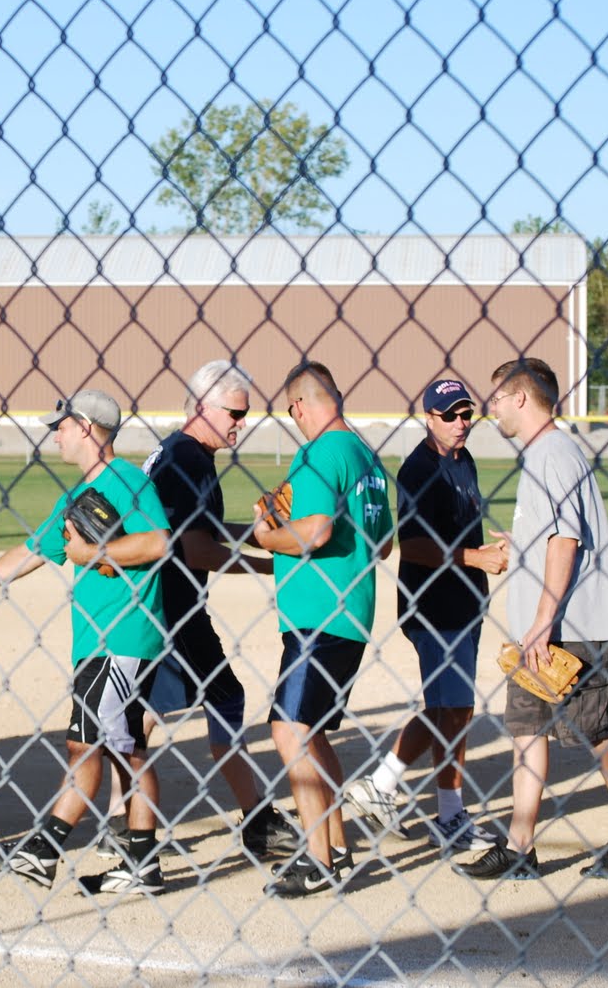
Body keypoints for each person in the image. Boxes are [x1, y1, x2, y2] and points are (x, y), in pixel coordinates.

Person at [0, 389, 172, 895]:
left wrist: (97, 550)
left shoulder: (129, 480)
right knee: (127, 748)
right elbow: (32, 552)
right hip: (98, 641)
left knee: (84, 741)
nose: (56, 433)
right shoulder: (74, 497)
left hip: (124, 636)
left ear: (89, 428)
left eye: (63, 425)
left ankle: (42, 848)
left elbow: (159, 541)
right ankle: (143, 864)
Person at [456, 358, 608, 880]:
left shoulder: (553, 454)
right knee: (526, 729)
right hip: (548, 626)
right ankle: (520, 847)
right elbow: (555, 535)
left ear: (522, 397)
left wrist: (543, 622)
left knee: (593, 730)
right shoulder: (544, 455)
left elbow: (567, 540)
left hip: (570, 627)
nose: (490, 407)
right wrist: (522, 547)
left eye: (496, 397)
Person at [133, 360, 293, 861]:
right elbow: (194, 549)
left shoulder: (178, 451)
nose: (240, 423)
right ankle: (257, 820)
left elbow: (206, 529)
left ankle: (128, 820)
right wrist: (269, 567)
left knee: (141, 715)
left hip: (154, 608)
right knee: (227, 698)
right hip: (176, 610)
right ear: (203, 406)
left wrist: (267, 540)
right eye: (234, 413)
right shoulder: (190, 460)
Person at [345, 379, 507, 854]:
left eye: (465, 413)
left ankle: (384, 782)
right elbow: (412, 545)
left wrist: (488, 552)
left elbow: (463, 530)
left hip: (465, 603)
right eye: (450, 415)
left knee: (447, 707)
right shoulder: (420, 469)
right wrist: (475, 559)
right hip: (435, 608)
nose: (461, 422)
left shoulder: (465, 460)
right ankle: (450, 814)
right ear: (429, 418)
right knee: (454, 708)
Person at [251, 361, 393, 897]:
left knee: (288, 730)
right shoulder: (367, 458)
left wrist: (269, 534)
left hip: (319, 617)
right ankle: (335, 846)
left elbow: (314, 531)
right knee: (313, 732)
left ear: (298, 407)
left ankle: (317, 861)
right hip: (351, 613)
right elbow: (380, 544)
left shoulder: (317, 454)